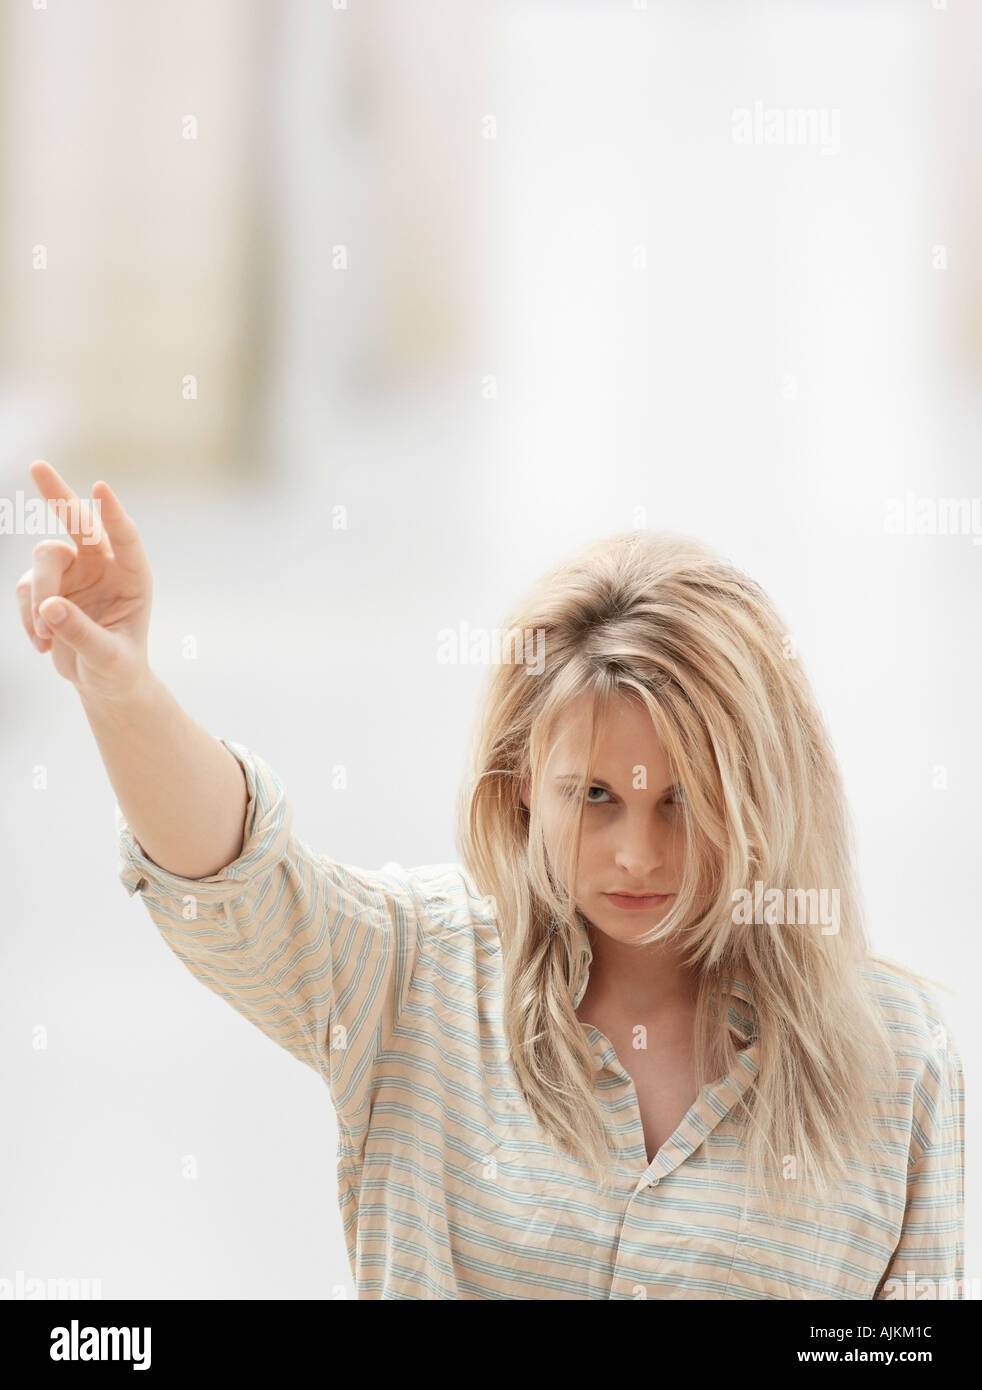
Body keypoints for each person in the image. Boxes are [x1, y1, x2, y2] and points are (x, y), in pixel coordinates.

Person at [16, 461, 965, 1301]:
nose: (637, 855)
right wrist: (122, 692)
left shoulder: (901, 1063)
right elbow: (236, 881)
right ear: (519, 786)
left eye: (681, 803)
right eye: (593, 796)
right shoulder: (414, 972)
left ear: (765, 794)